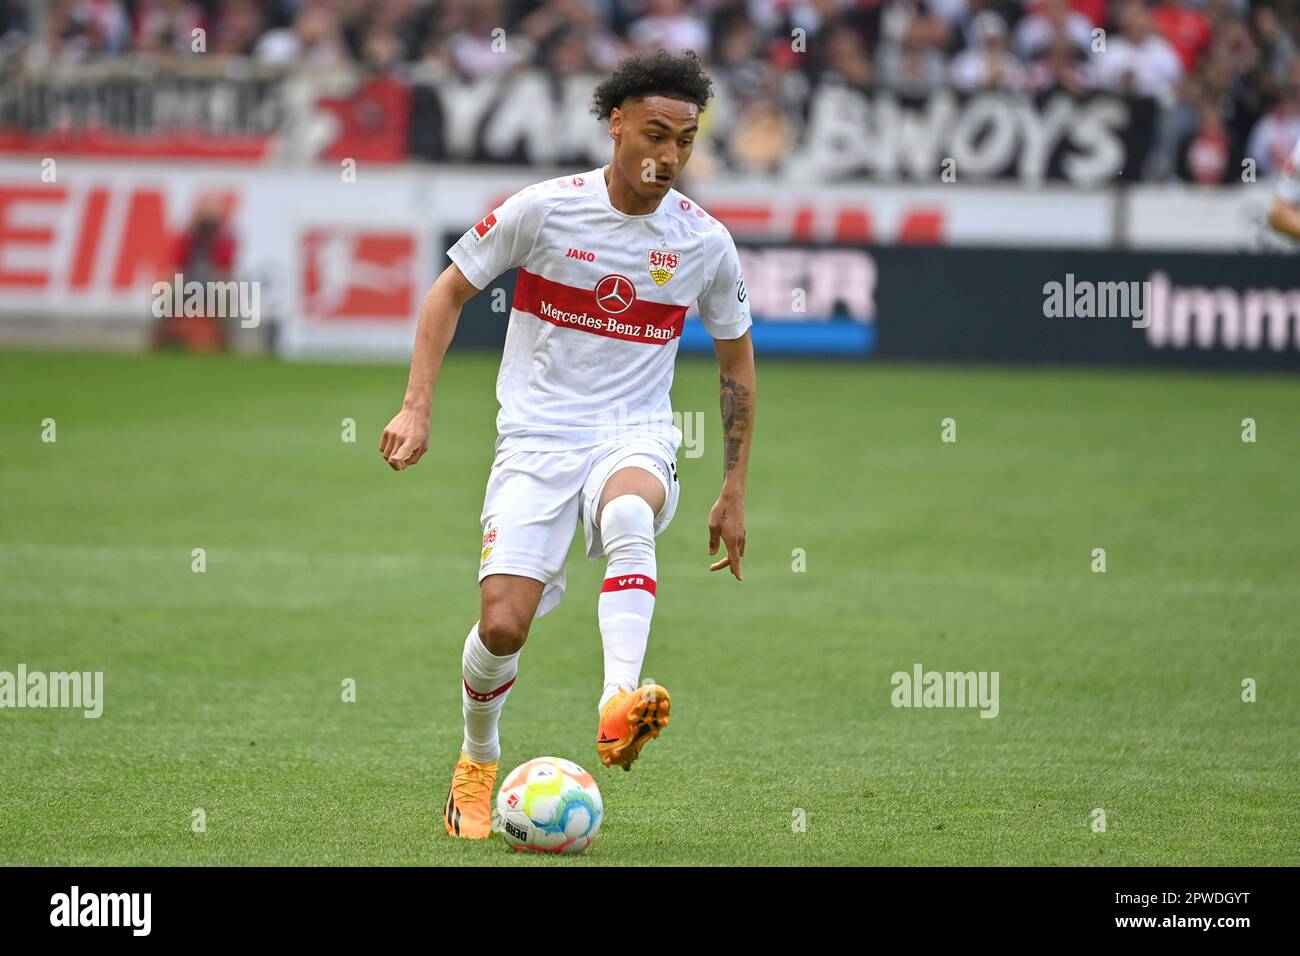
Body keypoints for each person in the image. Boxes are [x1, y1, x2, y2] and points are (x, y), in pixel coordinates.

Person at [378, 49, 757, 840]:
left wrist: (732, 488)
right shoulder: (545, 209)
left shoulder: (704, 243)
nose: (669, 156)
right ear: (615, 124)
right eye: (655, 133)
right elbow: (446, 293)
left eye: (684, 141)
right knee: (504, 626)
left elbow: (734, 362)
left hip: (635, 432)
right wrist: (416, 409)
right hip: (536, 437)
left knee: (629, 515)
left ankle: (620, 702)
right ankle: (478, 758)